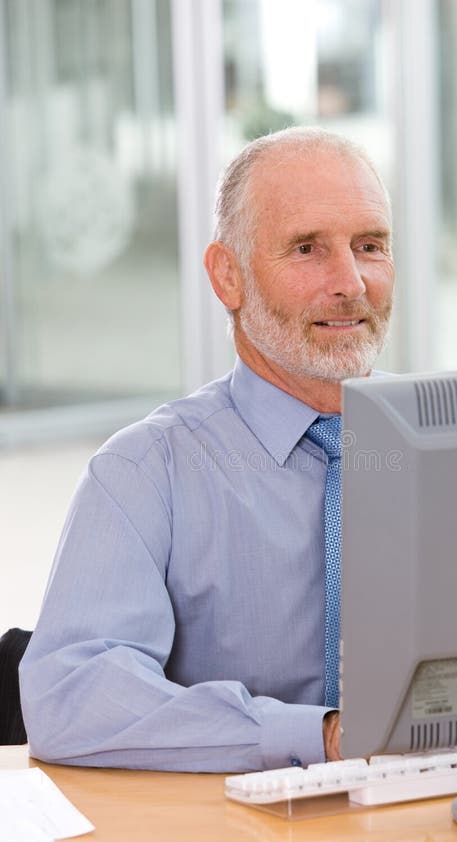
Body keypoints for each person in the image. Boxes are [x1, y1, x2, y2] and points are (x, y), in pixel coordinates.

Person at [19, 127, 395, 772]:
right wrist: (322, 737)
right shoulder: (144, 472)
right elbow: (70, 697)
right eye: (307, 248)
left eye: (369, 246)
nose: (351, 282)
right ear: (229, 277)